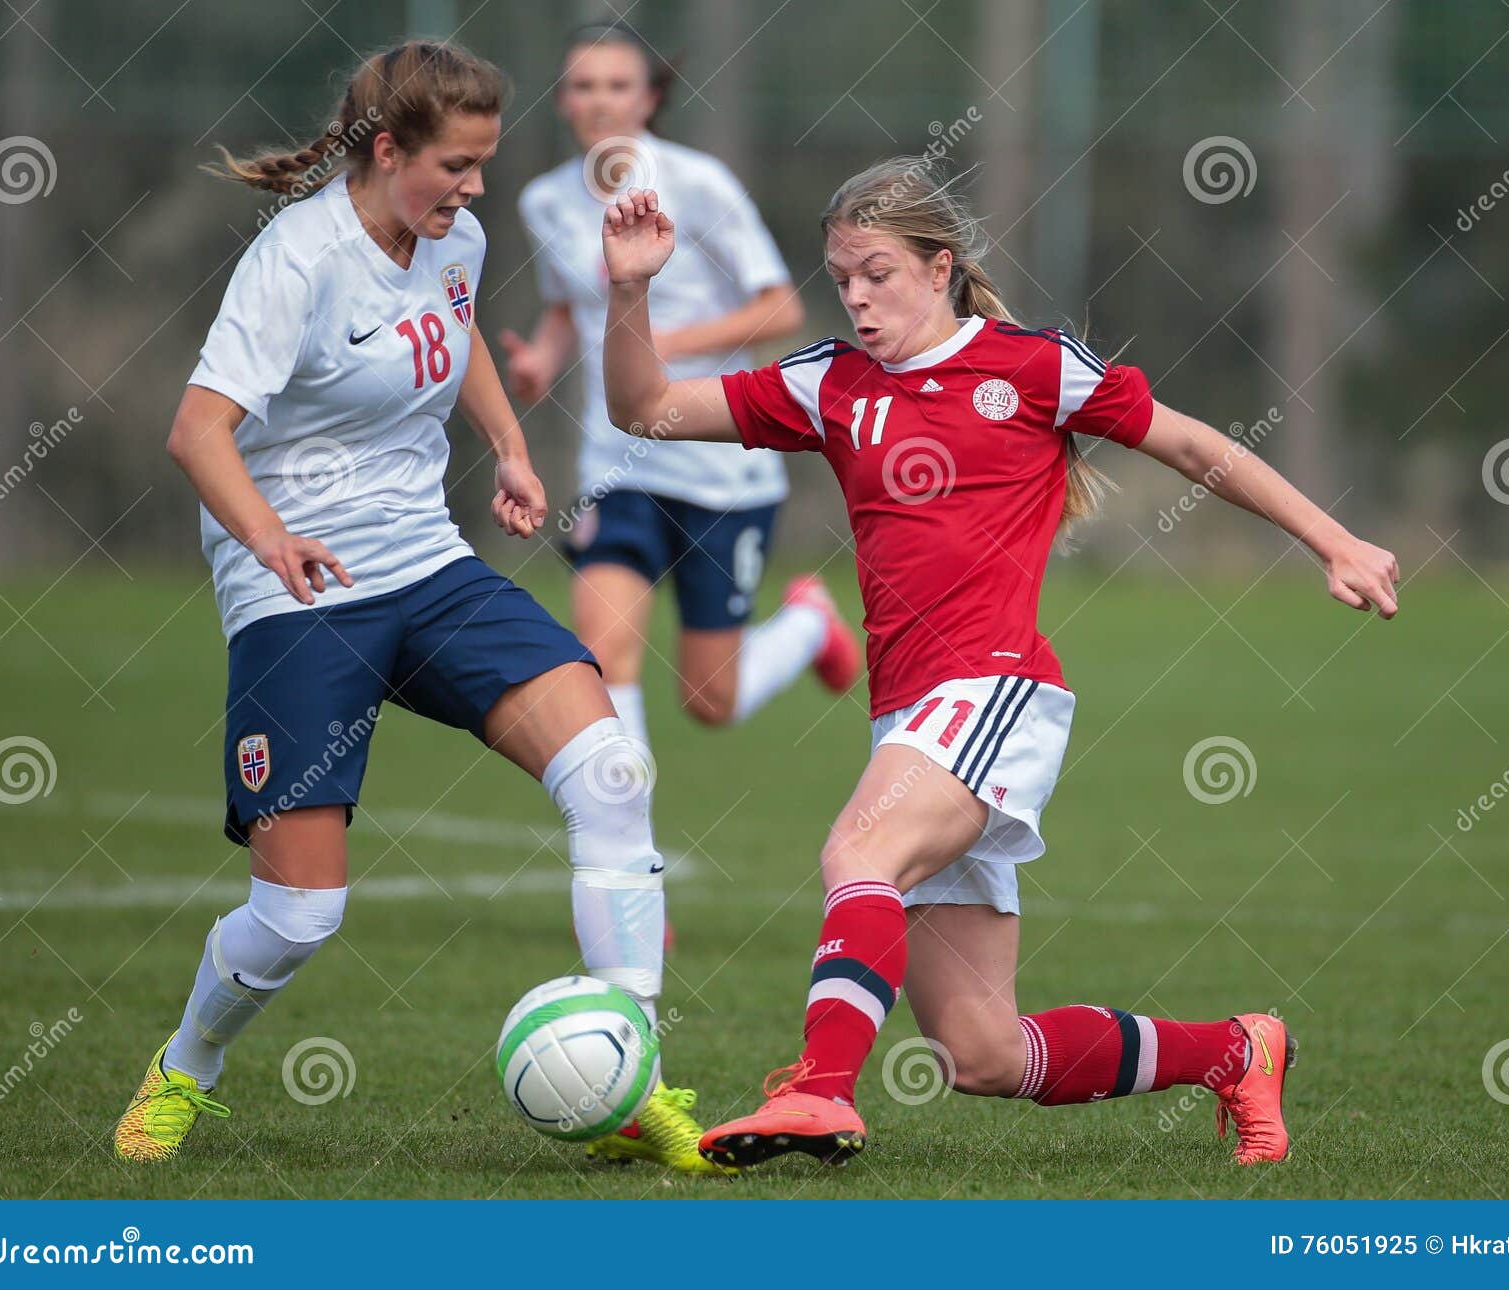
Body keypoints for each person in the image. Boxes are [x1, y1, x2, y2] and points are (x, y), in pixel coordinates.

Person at [597, 162, 1401, 1170]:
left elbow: (1196, 449)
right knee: (981, 1052)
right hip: (912, 717)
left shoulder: (1031, 367)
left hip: (996, 689)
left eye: (876, 273)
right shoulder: (828, 384)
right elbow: (646, 411)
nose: (854, 297)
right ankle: (1236, 1050)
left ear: (939, 268)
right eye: (841, 277)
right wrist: (628, 290)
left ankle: (818, 1092)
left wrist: (1333, 541)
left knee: (858, 853)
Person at [110, 41, 718, 1176]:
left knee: (611, 773)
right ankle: (185, 1069)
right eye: (457, 164)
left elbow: (461, 329)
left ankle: (630, 1076)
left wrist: (507, 447)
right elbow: (198, 431)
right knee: (297, 919)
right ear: (387, 152)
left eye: (485, 165)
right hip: (299, 595)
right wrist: (272, 538)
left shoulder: (455, 238)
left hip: (429, 569)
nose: (475, 189)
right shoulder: (296, 260)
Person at [503, 20, 857, 780]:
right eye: (583, 84)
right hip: (619, 463)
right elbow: (571, 304)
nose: (599, 100)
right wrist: (543, 357)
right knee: (601, 654)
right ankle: (629, 865)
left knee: (709, 698)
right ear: (563, 100)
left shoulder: (698, 184)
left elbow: (781, 310)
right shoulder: (545, 202)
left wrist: (663, 349)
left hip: (720, 468)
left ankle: (805, 624)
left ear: (650, 97)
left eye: (617, 84)